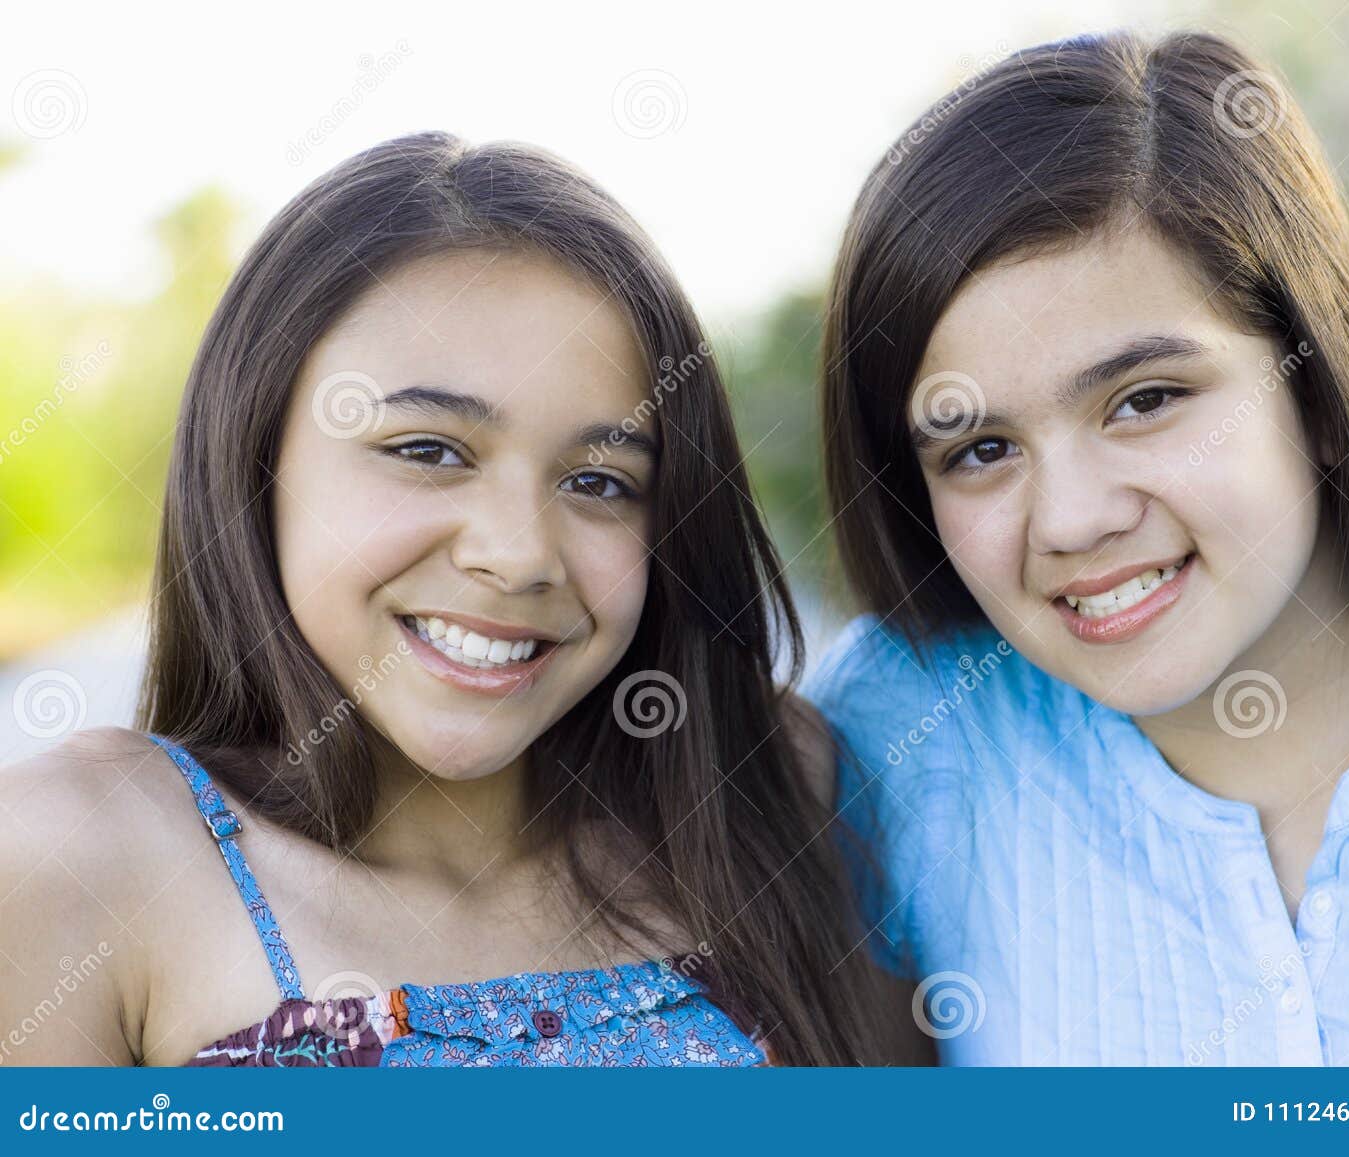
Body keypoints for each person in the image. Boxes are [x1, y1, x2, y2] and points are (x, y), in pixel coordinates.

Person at [0, 132, 895, 1067]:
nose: (517, 557)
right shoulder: (79, 857)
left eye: (598, 481)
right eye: (428, 451)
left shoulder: (771, 787)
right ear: (256, 463)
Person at [808, 31, 1349, 1065]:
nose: (1070, 519)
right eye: (980, 448)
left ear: (1315, 382)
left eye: (1144, 399)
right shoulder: (897, 738)